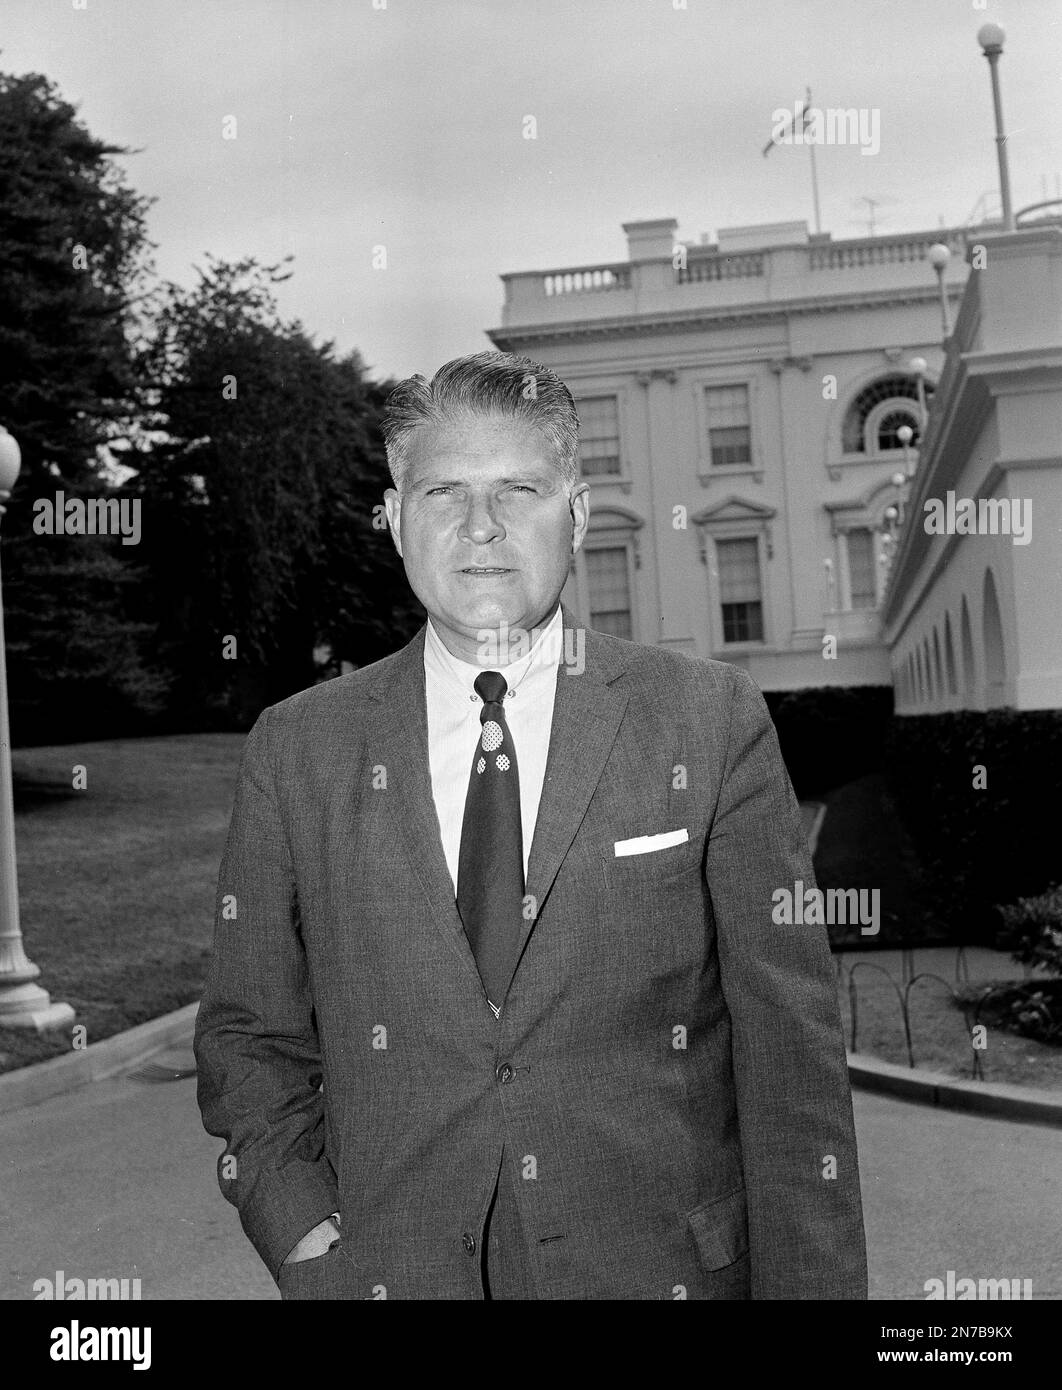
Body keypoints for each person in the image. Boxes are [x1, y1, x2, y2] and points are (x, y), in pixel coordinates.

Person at [194, 349, 867, 1300]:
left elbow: (790, 1060)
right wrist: (298, 1226)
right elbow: (248, 1035)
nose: (481, 527)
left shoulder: (707, 721)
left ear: (578, 515)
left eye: (519, 488)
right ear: (392, 521)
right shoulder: (295, 750)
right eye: (442, 493)